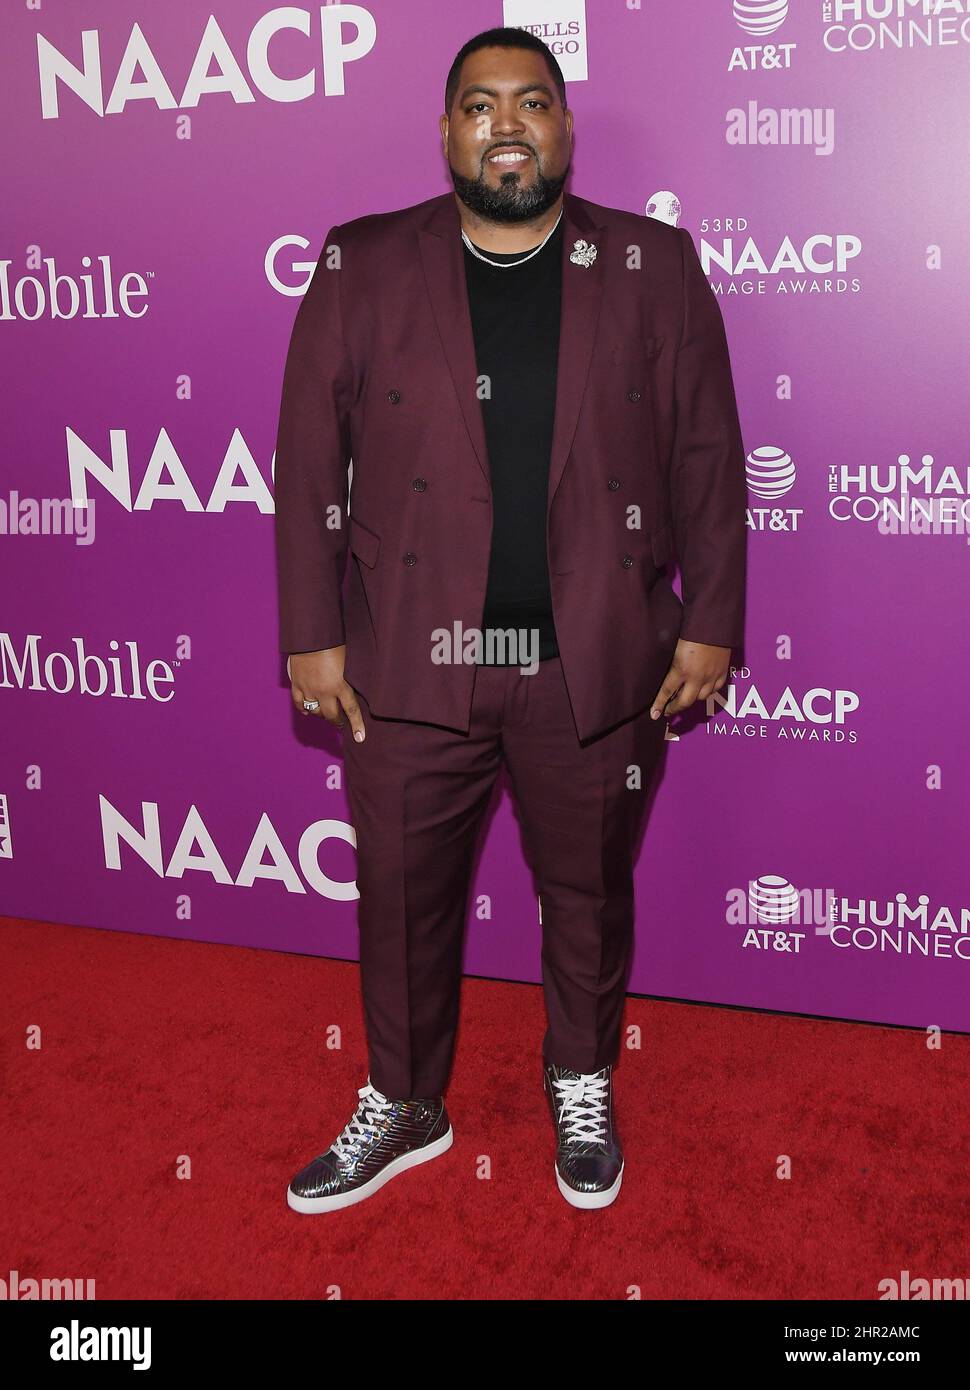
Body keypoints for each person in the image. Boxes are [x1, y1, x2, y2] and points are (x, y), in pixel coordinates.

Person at [274, 26, 746, 1213]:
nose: (506, 126)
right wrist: (309, 630)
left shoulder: (653, 264)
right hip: (413, 656)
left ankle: (580, 1076)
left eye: (531, 102)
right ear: (445, 133)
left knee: (587, 890)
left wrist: (711, 619)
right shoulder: (360, 264)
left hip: (589, 658)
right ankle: (406, 1100)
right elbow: (305, 459)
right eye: (479, 105)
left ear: (565, 129)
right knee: (399, 895)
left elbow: (705, 454)